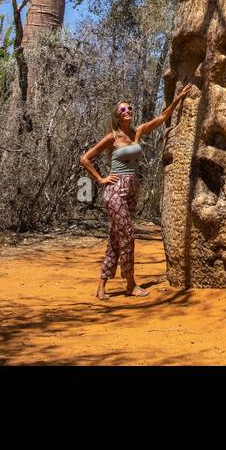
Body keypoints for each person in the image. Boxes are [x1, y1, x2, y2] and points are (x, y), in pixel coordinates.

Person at [80, 96, 178, 300]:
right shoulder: (112, 137)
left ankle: (102, 286)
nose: (127, 111)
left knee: (116, 238)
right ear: (117, 115)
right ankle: (130, 283)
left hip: (133, 188)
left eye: (130, 108)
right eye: (122, 109)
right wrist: (100, 179)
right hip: (115, 189)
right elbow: (85, 158)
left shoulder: (137, 132)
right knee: (127, 236)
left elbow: (161, 117)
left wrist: (179, 97)